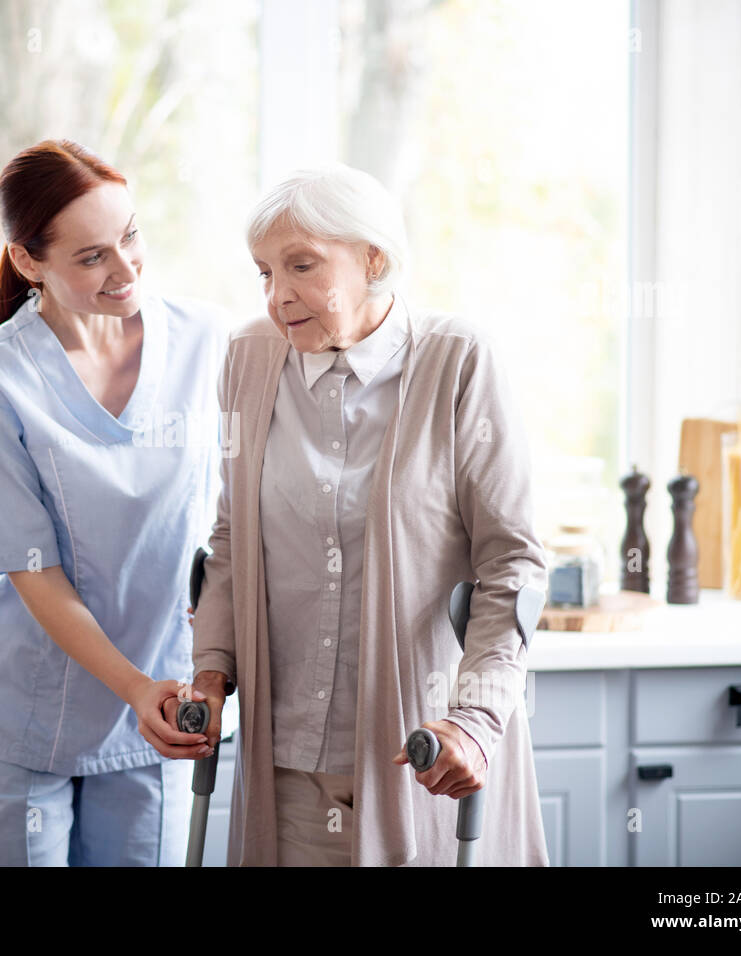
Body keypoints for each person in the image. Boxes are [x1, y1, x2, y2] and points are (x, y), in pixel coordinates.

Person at [179, 163, 551, 866]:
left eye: (302, 265)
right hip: (286, 769)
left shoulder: (458, 361)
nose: (277, 297)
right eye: (263, 273)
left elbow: (512, 564)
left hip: (423, 760)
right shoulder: (247, 360)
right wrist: (210, 671)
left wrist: (475, 720)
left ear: (375, 259)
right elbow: (230, 542)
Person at [0, 139, 229, 866]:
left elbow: (240, 521)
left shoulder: (208, 342)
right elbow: (33, 571)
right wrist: (135, 687)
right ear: (27, 261)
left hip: (156, 718)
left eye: (131, 236)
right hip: (21, 723)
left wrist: (205, 672)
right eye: (92, 256)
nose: (126, 269)